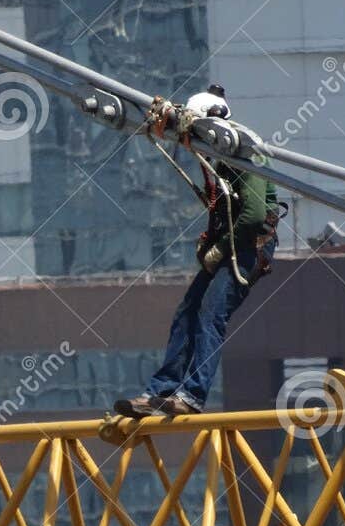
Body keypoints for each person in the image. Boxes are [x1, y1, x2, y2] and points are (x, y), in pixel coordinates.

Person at [116, 86, 279, 418]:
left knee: (210, 314)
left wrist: (218, 250)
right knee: (187, 312)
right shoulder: (218, 154)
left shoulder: (247, 152)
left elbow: (254, 217)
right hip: (232, 243)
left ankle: (191, 396)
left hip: (248, 247)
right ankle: (161, 392)